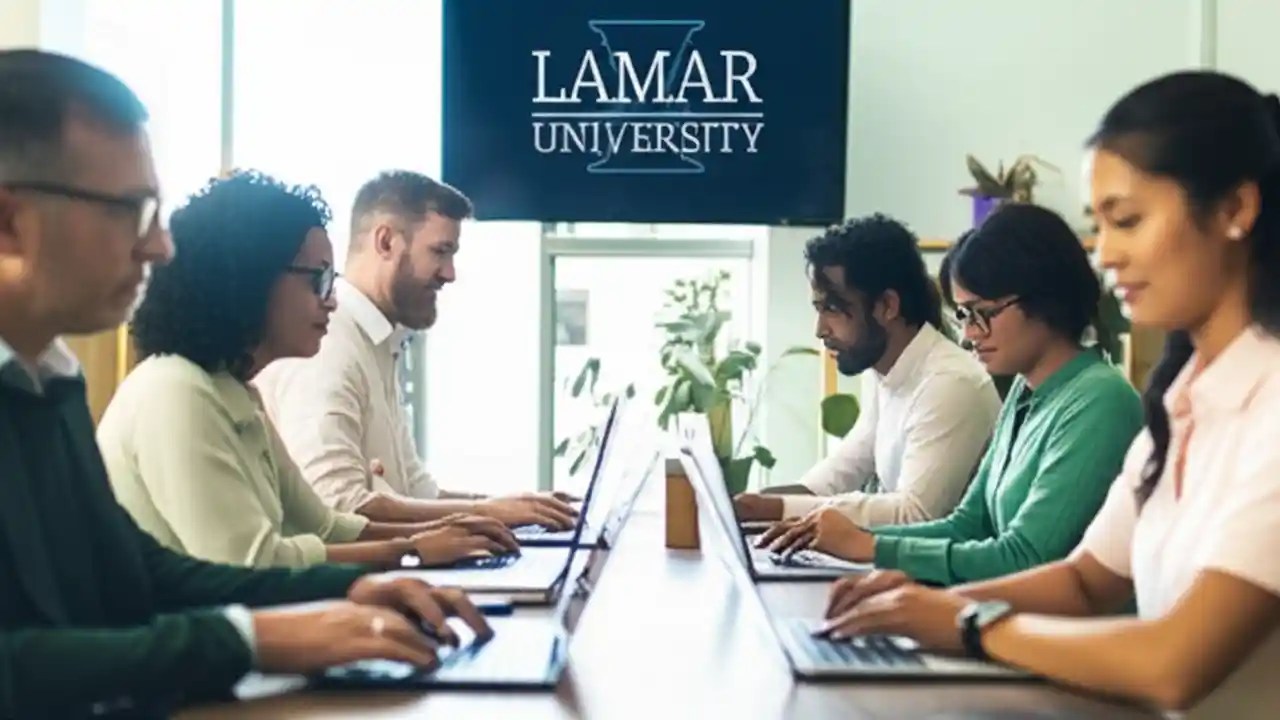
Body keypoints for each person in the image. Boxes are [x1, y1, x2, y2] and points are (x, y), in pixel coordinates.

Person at [0, 49, 487, 719]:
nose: (159, 248)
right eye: (130, 212)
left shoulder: (47, 380)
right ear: (9, 223)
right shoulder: (158, 388)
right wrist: (257, 637)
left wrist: (349, 589)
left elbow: (139, 572)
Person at [820, 71, 1280, 717]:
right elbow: (1088, 580)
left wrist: (970, 625)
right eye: (1103, 225)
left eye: (1129, 220)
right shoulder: (1179, 402)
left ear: (1235, 209)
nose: (1108, 254)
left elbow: (1176, 663)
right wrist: (927, 606)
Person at [96, 170, 519, 569]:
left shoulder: (236, 392)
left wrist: (439, 532)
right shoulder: (175, 391)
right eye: (317, 280)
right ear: (252, 278)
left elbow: (326, 526)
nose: (331, 300)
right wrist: (411, 550)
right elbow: (253, 563)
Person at [763, 203, 1144, 586]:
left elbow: (1026, 557)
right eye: (963, 315)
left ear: (1043, 296)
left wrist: (872, 547)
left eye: (982, 313)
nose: (968, 334)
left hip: (1060, 637)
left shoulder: (1100, 400)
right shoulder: (1026, 393)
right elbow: (968, 524)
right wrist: (855, 540)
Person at [255, 170, 577, 529]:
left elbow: (416, 495)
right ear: (386, 242)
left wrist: (514, 507)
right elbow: (337, 505)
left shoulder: (377, 342)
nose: (450, 273)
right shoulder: (327, 346)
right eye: (440, 252)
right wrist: (486, 513)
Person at [733, 214, 1000, 527]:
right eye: (818, 309)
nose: (820, 330)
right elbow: (841, 471)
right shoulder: (886, 370)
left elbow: (915, 514)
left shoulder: (950, 384)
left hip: (948, 575)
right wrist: (750, 506)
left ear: (887, 306)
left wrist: (775, 510)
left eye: (832, 308)